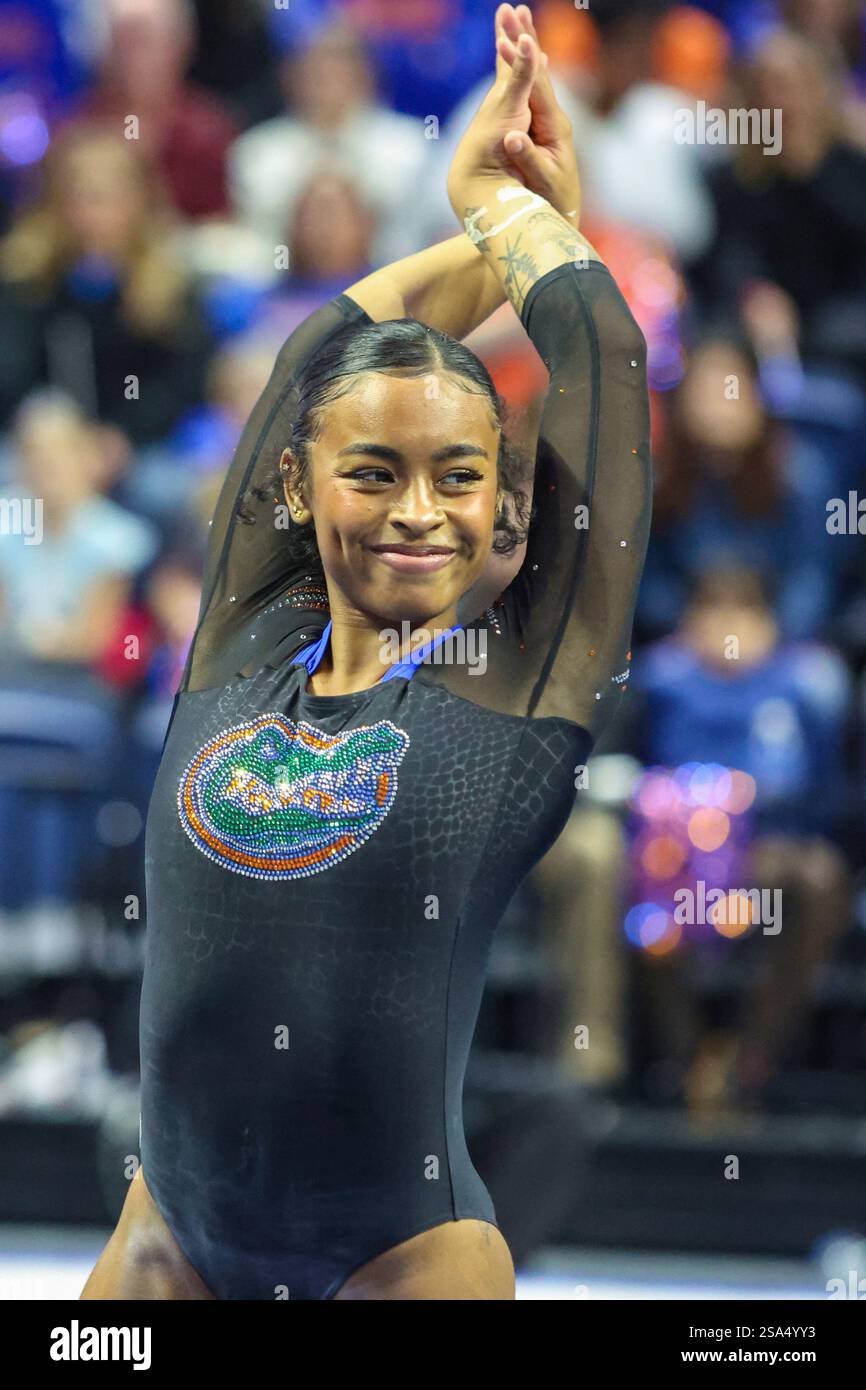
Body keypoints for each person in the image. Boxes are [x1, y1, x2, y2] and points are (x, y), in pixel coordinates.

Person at [80, 9, 651, 1301]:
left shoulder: (513, 689)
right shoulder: (242, 635)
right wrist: (485, 232)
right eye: (373, 471)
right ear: (295, 482)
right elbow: (312, 357)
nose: (414, 511)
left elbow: (603, 355)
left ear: (507, 507)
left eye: (458, 477)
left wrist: (505, 213)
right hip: (164, 1245)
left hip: (398, 1264)